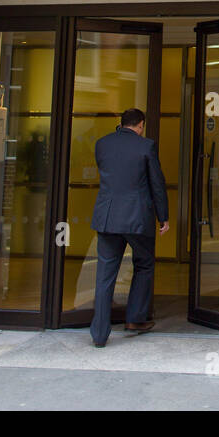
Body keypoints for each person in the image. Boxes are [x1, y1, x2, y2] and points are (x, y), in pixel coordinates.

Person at [89, 108, 170, 348]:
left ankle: (99, 334)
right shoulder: (146, 147)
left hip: (107, 217)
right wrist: (162, 216)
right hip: (137, 218)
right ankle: (135, 319)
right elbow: (156, 182)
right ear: (140, 124)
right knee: (144, 264)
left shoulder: (102, 144)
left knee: (105, 274)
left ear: (121, 123)